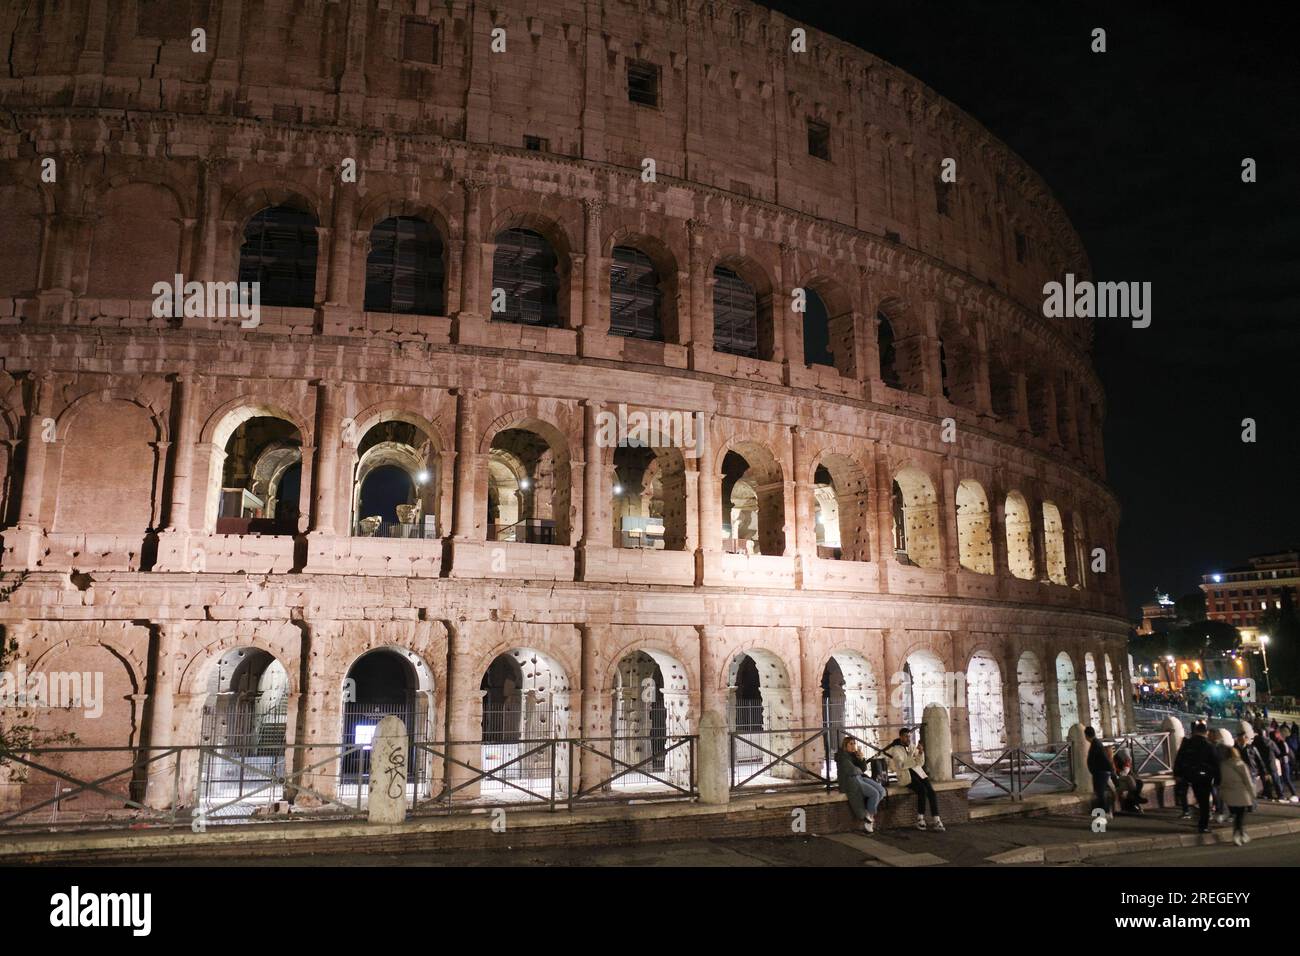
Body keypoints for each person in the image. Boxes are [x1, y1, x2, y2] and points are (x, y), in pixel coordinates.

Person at [883, 726, 944, 831]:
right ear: (901, 737)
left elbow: (920, 763)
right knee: (922, 790)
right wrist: (914, 760)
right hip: (906, 776)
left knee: (931, 792)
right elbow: (901, 765)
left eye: (909, 736)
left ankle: (937, 819)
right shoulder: (896, 749)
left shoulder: (912, 746)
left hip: (918, 773)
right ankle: (920, 819)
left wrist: (920, 753)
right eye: (906, 736)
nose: (908, 739)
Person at [1173, 720, 1221, 833]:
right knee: (1204, 802)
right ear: (1206, 732)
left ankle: (1194, 815)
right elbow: (1216, 763)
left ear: (1195, 731)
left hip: (1189, 775)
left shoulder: (1187, 743)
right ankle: (1203, 826)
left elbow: (1179, 759)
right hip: (1204, 777)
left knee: (1198, 797)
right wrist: (1217, 780)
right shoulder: (1208, 745)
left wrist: (1177, 774)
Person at [835, 735, 887, 833]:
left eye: (854, 744)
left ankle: (868, 813)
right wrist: (859, 770)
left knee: (882, 791)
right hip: (850, 781)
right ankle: (869, 818)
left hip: (859, 777)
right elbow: (852, 770)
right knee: (875, 794)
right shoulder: (842, 757)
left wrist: (861, 759)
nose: (853, 746)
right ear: (845, 745)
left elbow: (863, 769)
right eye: (851, 744)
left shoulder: (853, 755)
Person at [1218, 732, 1258, 846]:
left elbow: (1222, 781)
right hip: (1241, 794)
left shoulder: (1223, 765)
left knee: (1236, 816)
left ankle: (1242, 834)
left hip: (1229, 795)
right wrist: (1253, 794)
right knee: (1240, 817)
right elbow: (1247, 780)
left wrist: (1222, 794)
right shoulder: (1240, 764)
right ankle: (1237, 835)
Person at [1085, 726, 1114, 818]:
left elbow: (1102, 759)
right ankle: (1101, 811)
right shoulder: (1096, 743)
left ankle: (1106, 812)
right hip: (1100, 772)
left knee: (1100, 793)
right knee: (1099, 792)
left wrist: (1110, 770)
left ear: (1086, 736)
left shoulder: (1096, 744)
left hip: (1101, 772)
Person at [1112, 746, 1147, 813]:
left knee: (1139, 782)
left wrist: (1133, 775)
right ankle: (1133, 802)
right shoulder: (1114, 762)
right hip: (1118, 779)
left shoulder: (1126, 762)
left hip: (1125, 779)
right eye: (1126, 759)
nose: (1127, 760)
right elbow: (1117, 774)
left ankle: (1134, 800)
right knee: (1131, 783)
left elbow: (1130, 772)